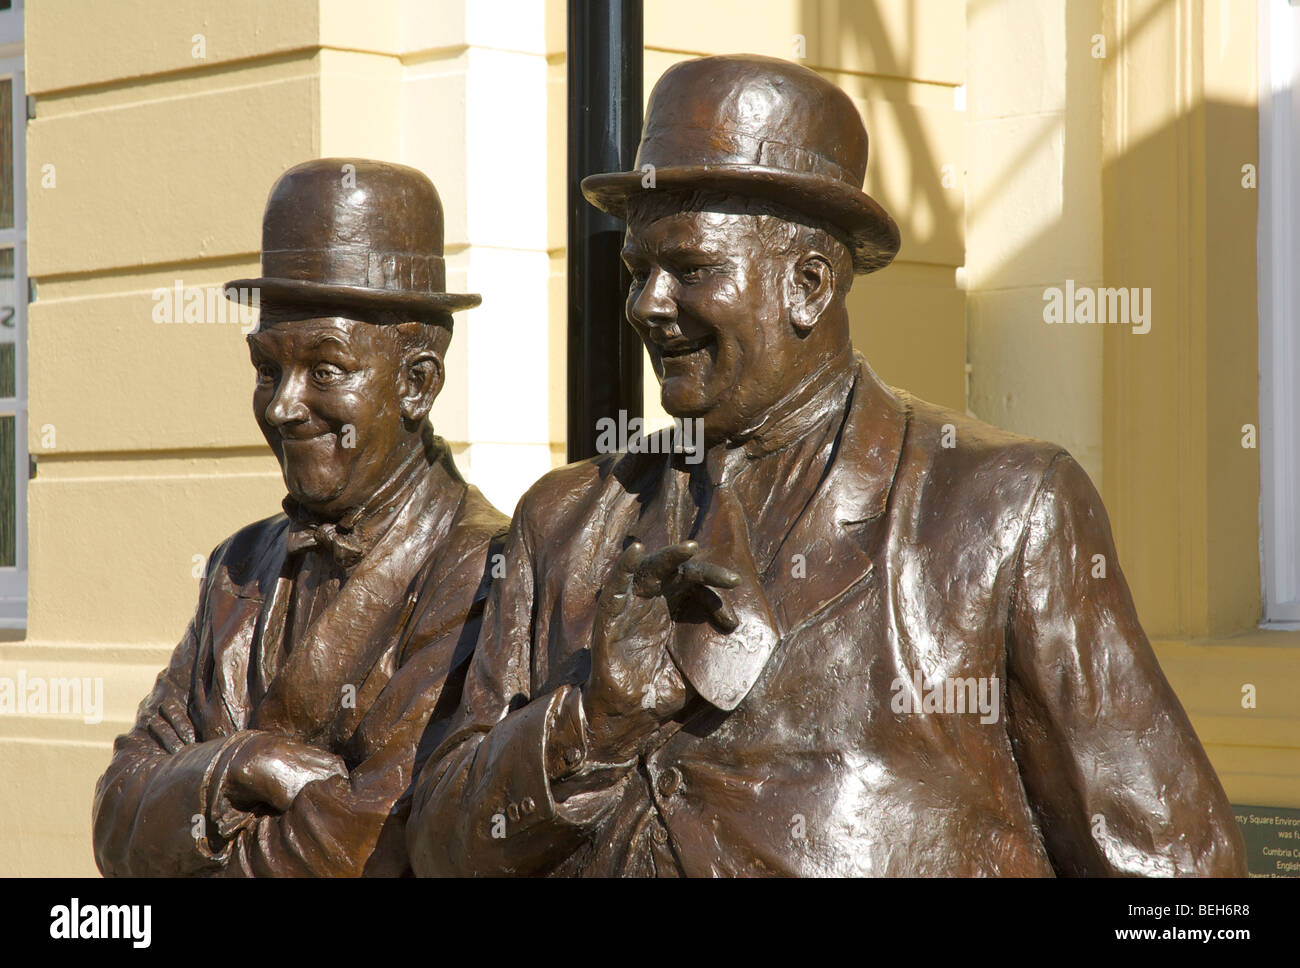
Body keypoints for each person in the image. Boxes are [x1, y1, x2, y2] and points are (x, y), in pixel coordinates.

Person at [406, 56, 1245, 877]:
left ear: (808, 284)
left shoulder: (1001, 509)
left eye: (690, 270)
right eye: (637, 271)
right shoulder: (564, 522)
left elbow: (1181, 877)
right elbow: (443, 848)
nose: (647, 305)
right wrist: (591, 722)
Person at [93, 158, 507, 876]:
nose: (283, 406)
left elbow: (380, 838)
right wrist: (243, 762)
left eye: (324, 369)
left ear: (418, 383)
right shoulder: (238, 566)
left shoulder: (485, 569)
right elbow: (117, 814)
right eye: (266, 370)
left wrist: (194, 809)